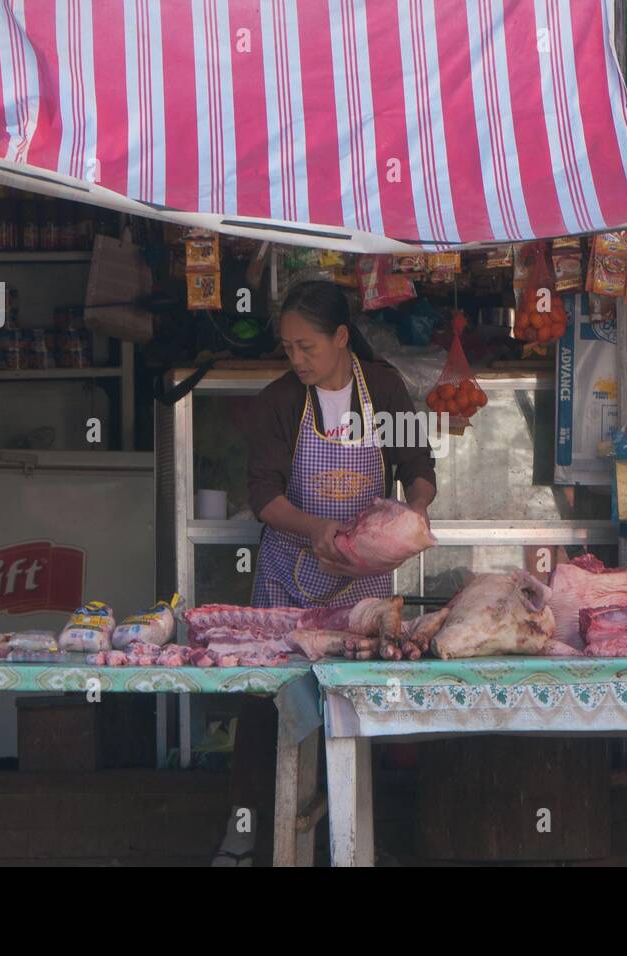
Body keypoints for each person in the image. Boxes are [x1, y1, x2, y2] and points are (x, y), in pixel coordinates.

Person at [211, 280, 437, 865]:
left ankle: (355, 836)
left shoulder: (383, 387)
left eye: (307, 346)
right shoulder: (279, 401)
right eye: (288, 348)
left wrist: (413, 514)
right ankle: (244, 828)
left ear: (341, 337)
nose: (297, 359)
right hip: (289, 575)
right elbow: (263, 495)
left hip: (362, 582)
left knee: (355, 703)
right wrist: (314, 530)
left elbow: (417, 466)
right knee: (267, 704)